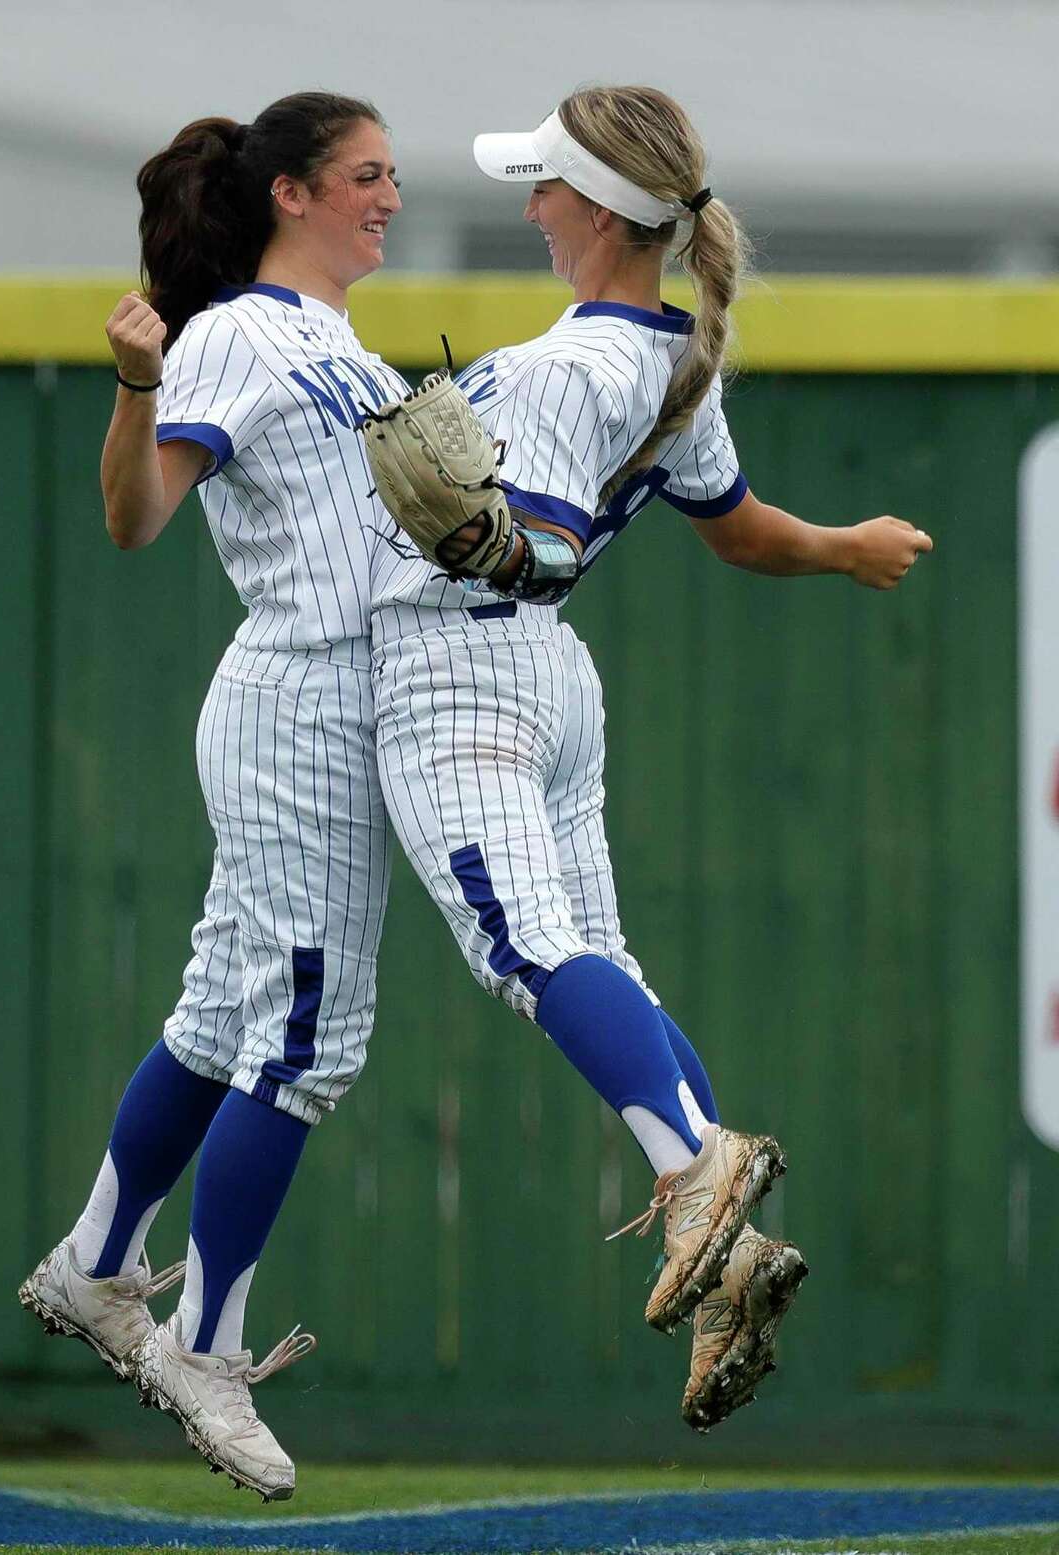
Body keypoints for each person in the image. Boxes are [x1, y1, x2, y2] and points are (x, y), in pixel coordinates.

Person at [367, 86, 932, 1431]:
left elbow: (543, 541)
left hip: (471, 665)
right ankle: (727, 1260)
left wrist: (484, 535)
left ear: (600, 212)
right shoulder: (670, 355)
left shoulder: (572, 371)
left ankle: (699, 1174)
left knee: (531, 954)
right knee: (598, 964)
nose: (530, 206)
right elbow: (734, 528)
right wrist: (848, 547)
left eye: (546, 188)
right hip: (548, 682)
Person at [19, 92, 409, 1497]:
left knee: (224, 1013)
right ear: (289, 194)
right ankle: (203, 1340)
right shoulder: (240, 334)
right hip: (300, 702)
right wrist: (136, 384)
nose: (392, 194)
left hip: (333, 704)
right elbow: (137, 518)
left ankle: (95, 1262)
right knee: (306, 1041)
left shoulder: (333, 341)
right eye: (367, 174)